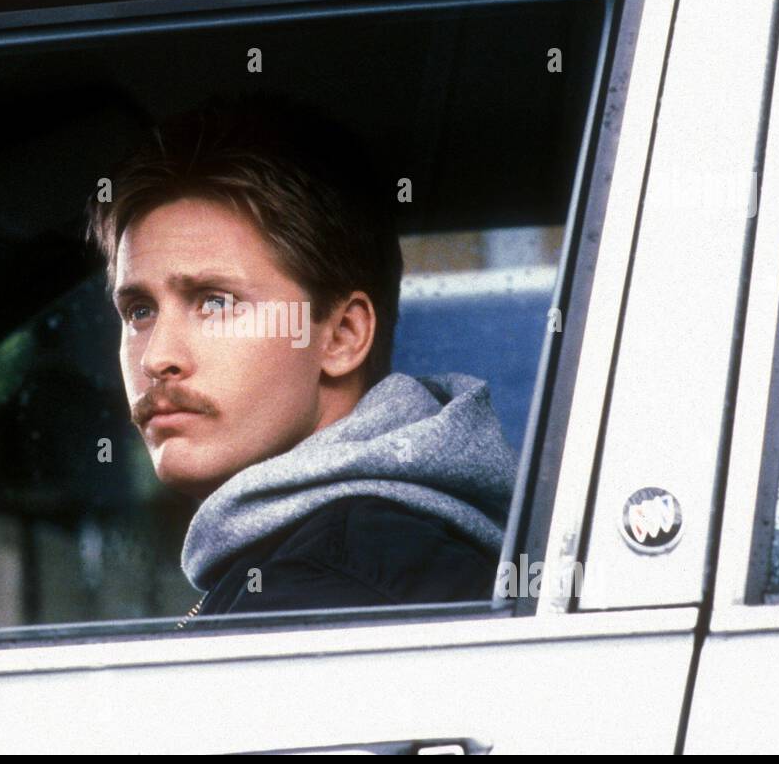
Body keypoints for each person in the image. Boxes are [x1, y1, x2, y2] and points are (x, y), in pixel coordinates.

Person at [85, 91, 519, 619]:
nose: (157, 358)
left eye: (215, 302)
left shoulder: (331, 583)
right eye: (138, 311)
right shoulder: (349, 559)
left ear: (341, 336)